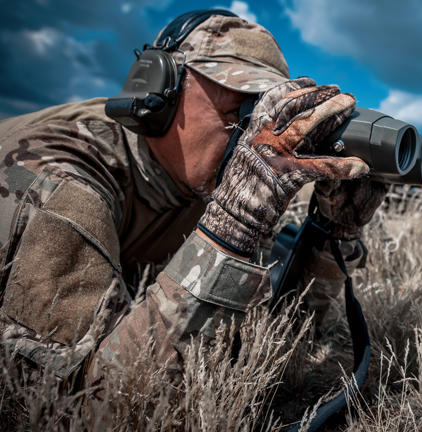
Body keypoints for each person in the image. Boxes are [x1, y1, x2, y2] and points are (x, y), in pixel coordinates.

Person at [0, 10, 385, 385]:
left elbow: (274, 341)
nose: (253, 133)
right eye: (239, 110)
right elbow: (84, 406)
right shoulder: (58, 185)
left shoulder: (206, 178)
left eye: (264, 115)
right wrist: (229, 230)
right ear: (157, 90)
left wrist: (332, 232)